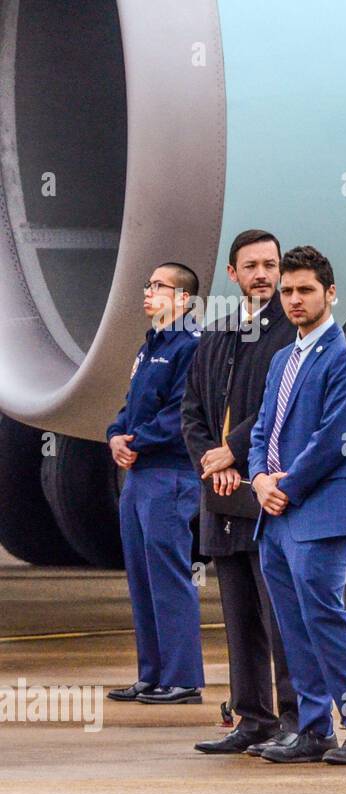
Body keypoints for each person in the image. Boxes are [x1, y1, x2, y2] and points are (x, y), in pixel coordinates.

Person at [248, 245, 346, 765]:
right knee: (294, 625)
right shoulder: (283, 357)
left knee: (325, 619)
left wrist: (288, 485)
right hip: (276, 513)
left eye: (305, 290)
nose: (293, 299)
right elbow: (262, 426)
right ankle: (313, 727)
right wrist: (259, 479)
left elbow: (339, 435)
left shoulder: (345, 352)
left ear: (330, 293)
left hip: (318, 509)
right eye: (287, 291)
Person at [182, 229, 300, 754]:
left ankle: (297, 718)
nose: (262, 274)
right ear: (232, 274)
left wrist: (232, 449)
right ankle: (253, 718)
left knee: (279, 616)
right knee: (238, 617)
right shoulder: (218, 332)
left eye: (270, 265)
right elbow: (191, 411)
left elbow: (280, 408)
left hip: (265, 493)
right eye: (251, 265)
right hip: (222, 493)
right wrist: (214, 464)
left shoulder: (290, 331)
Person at [106, 262, 205, 706]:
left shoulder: (189, 347)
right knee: (142, 576)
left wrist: (137, 442)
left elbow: (179, 414)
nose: (149, 292)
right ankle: (152, 672)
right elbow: (132, 406)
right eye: (148, 285)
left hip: (170, 473)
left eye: (159, 286)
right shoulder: (149, 347)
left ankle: (182, 677)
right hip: (140, 474)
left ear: (183, 299)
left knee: (168, 576)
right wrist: (115, 435)